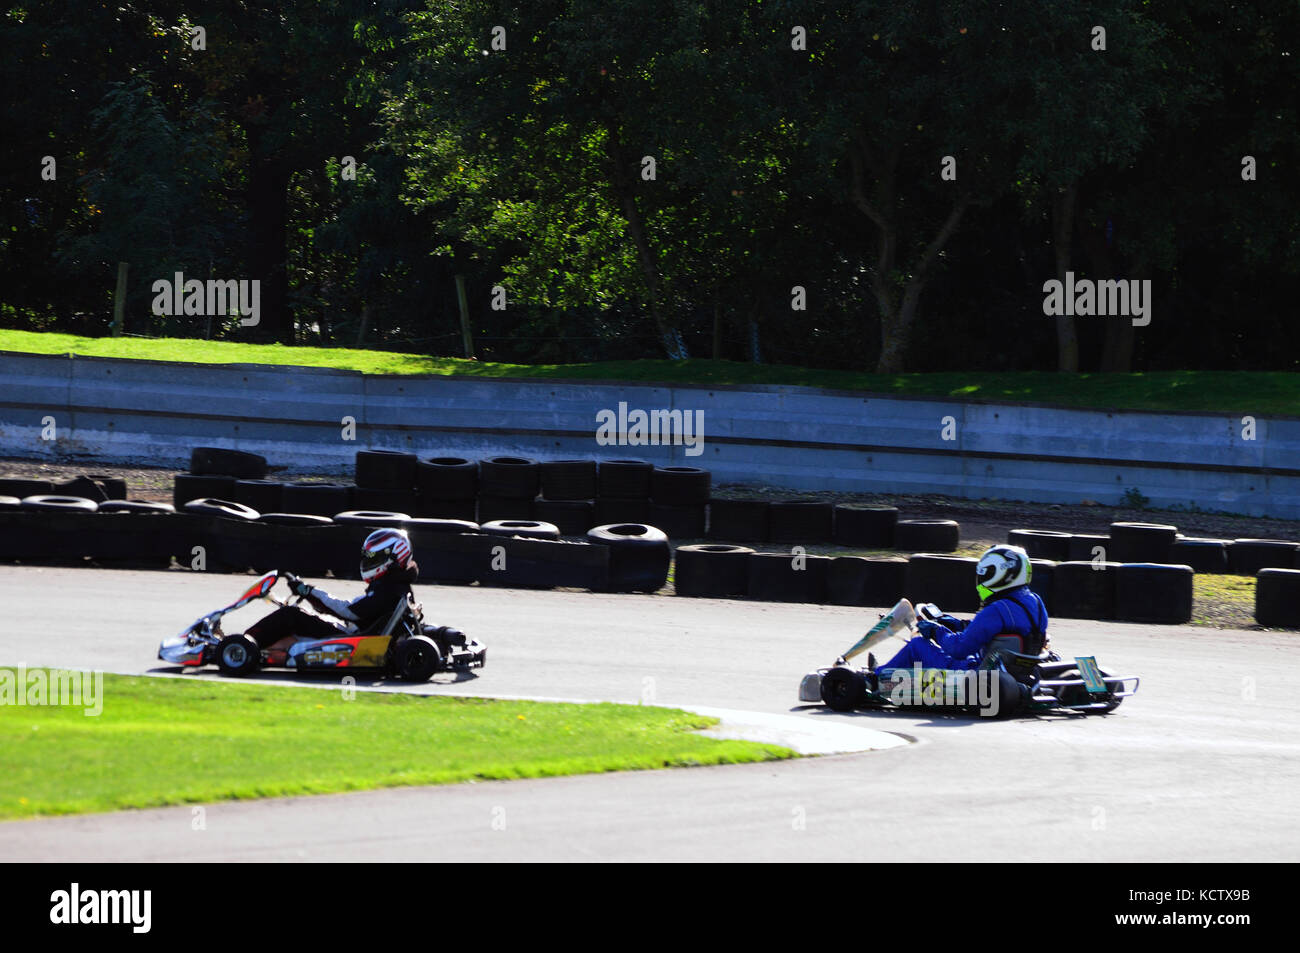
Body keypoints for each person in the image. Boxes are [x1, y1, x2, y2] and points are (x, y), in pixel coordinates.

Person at [246, 528, 420, 661]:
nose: (369, 562)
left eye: (373, 557)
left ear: (394, 557)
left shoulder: (389, 588)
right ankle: (250, 646)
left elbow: (348, 611)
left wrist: (308, 591)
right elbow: (357, 611)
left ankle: (244, 644)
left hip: (353, 638)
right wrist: (311, 596)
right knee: (294, 614)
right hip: (356, 629)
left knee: (290, 615)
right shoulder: (396, 584)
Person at [876, 544, 1048, 672]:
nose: (982, 579)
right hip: (1018, 670)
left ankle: (875, 679)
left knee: (917, 645)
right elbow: (988, 631)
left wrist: (937, 632)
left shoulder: (996, 609)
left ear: (1005, 575)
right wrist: (951, 623)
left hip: (978, 673)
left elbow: (959, 649)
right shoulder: (1036, 602)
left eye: (987, 573)